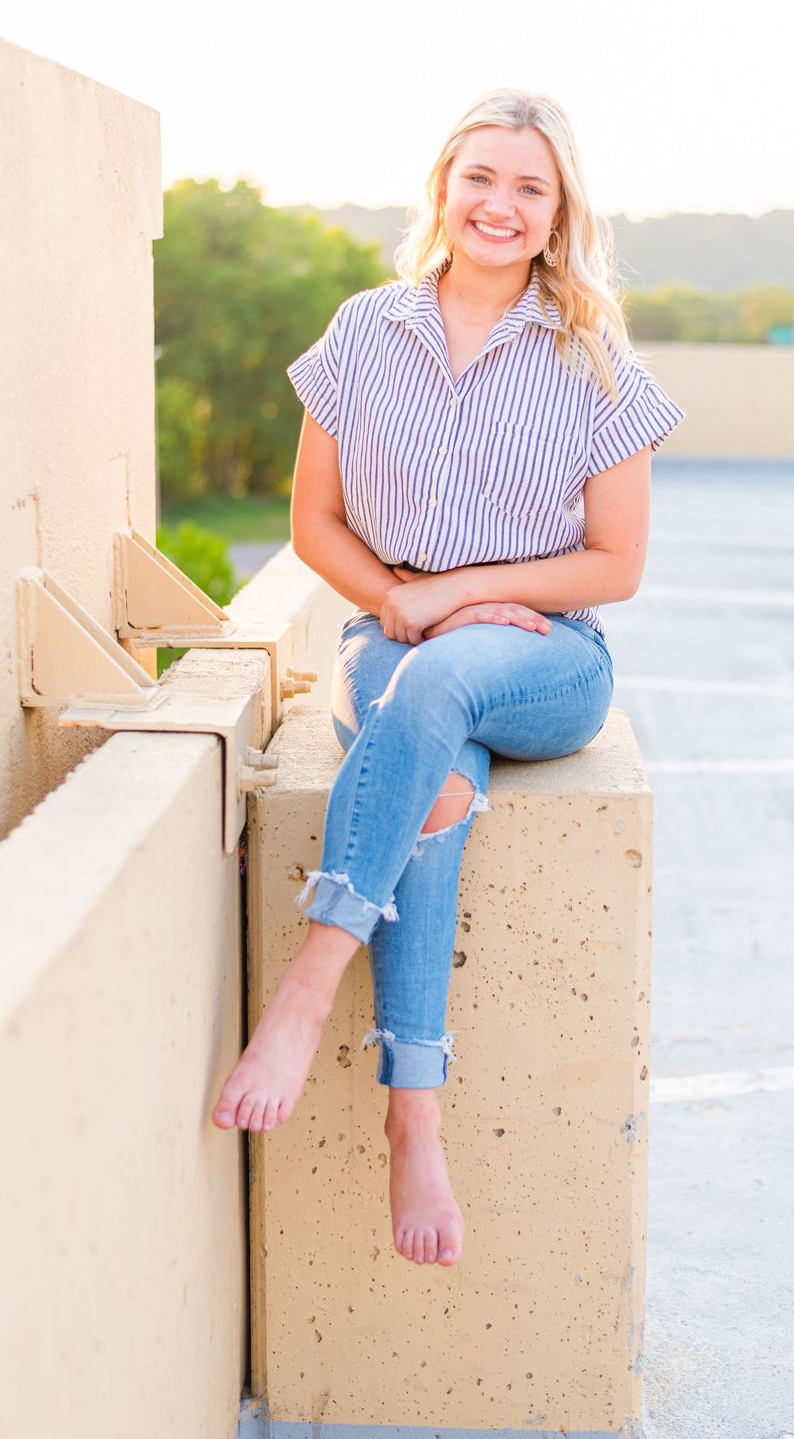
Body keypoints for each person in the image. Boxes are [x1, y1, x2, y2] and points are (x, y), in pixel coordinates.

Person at [211, 87, 686, 1269]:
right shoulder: (364, 330)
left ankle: (312, 980)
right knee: (432, 772)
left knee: (438, 686)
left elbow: (616, 565)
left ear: (558, 209)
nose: (501, 204)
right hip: (393, 638)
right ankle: (412, 1111)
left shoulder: (593, 355)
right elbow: (312, 520)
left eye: (530, 186)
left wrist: (455, 594)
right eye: (482, 177)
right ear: (443, 187)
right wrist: (396, 600)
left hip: (545, 655)